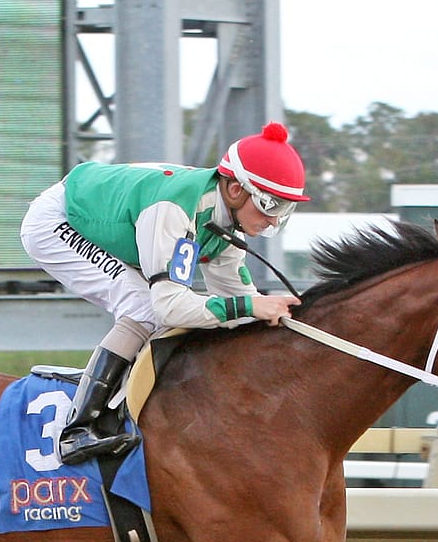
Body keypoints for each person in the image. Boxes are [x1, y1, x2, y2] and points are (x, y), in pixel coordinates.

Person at [20, 121, 309, 463]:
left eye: (284, 209)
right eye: (270, 205)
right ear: (235, 190)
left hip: (115, 218)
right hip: (59, 221)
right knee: (144, 306)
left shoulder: (227, 227)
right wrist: (250, 306)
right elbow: (170, 308)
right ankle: (79, 428)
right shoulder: (174, 210)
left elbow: (244, 310)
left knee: (176, 311)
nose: (274, 221)